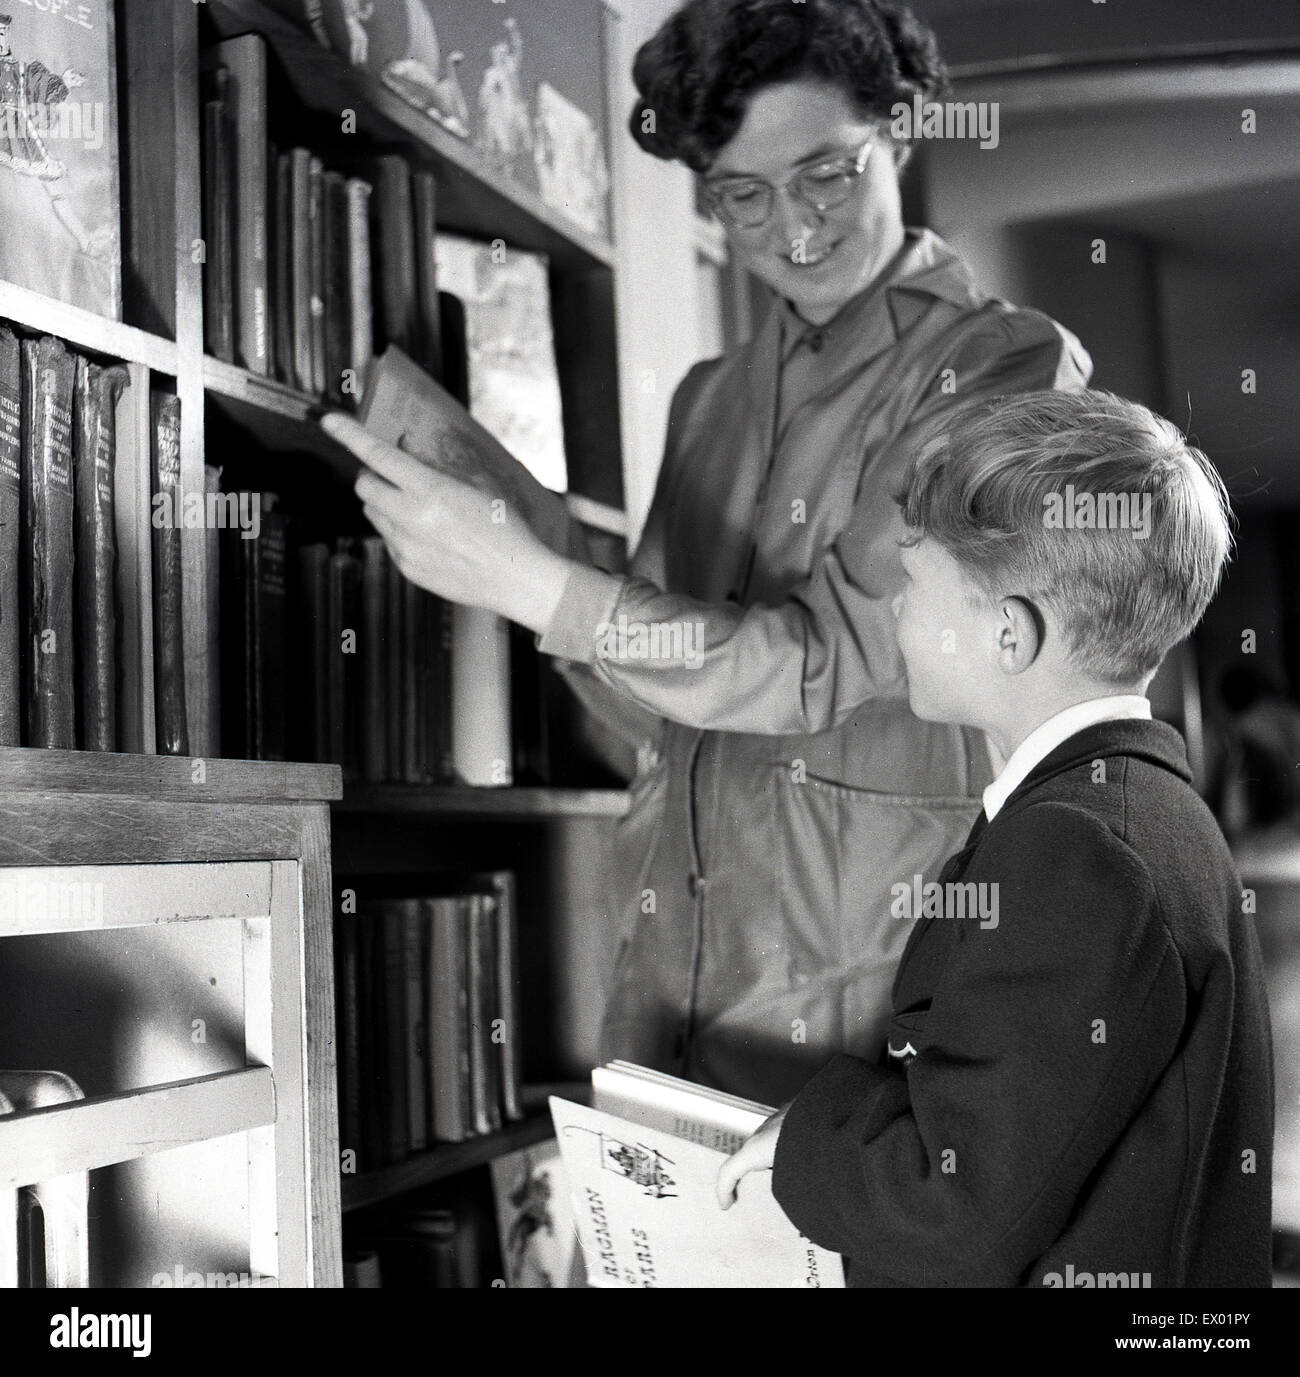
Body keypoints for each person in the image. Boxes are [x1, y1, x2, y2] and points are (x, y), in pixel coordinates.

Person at [322, 0, 1092, 1103]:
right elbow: (661, 707)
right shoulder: (706, 400)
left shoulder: (1005, 361)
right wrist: (532, 563)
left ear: (902, 132)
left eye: (827, 173)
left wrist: (548, 586)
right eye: (740, 194)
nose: (792, 228)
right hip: (665, 971)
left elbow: (830, 657)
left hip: (870, 991)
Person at [717, 389, 1274, 1287]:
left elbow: (958, 1204)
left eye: (911, 582)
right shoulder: (1139, 811)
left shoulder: (1076, 851)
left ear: (1007, 633)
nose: (894, 615)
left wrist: (807, 1142)